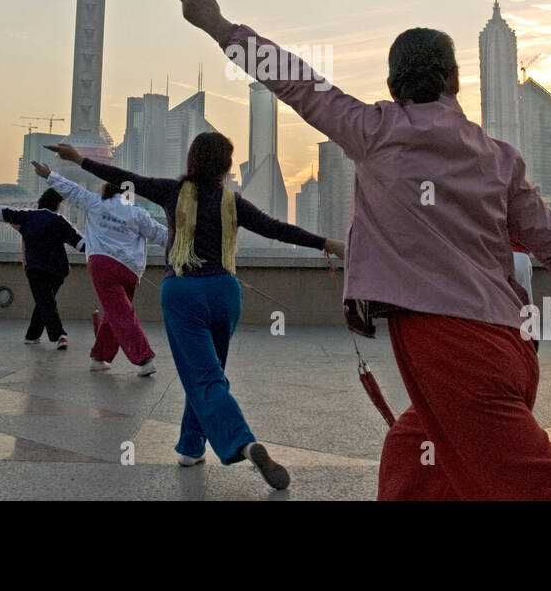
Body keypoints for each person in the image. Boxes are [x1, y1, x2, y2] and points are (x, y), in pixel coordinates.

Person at [160, 0, 551, 501]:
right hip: (511, 345)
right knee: (413, 458)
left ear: (393, 85)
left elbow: (295, 81)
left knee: (538, 489)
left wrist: (217, 25)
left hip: (454, 354)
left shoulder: (372, 131)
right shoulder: (499, 157)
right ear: (455, 81)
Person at [51, 134, 342, 491]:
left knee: (204, 377)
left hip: (184, 292)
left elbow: (127, 178)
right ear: (226, 166)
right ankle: (191, 447)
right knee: (205, 371)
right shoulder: (233, 202)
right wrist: (328, 244)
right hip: (225, 293)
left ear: (192, 160)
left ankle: (243, 443)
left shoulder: (172, 193)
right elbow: (277, 229)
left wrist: (79, 160)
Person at [31, 159, 168, 375]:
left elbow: (71, 190)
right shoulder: (138, 214)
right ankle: (116, 357)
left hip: (103, 265)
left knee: (119, 313)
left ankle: (133, 359)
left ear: (107, 187)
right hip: (130, 271)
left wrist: (49, 175)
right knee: (119, 311)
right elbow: (162, 235)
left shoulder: (95, 203)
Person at [0, 188, 82, 349]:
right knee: (45, 301)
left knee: (45, 301)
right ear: (57, 204)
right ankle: (38, 335)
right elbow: (80, 243)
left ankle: (53, 335)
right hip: (57, 270)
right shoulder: (59, 221)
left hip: (35, 268)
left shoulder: (28, 217)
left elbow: (6, 213)